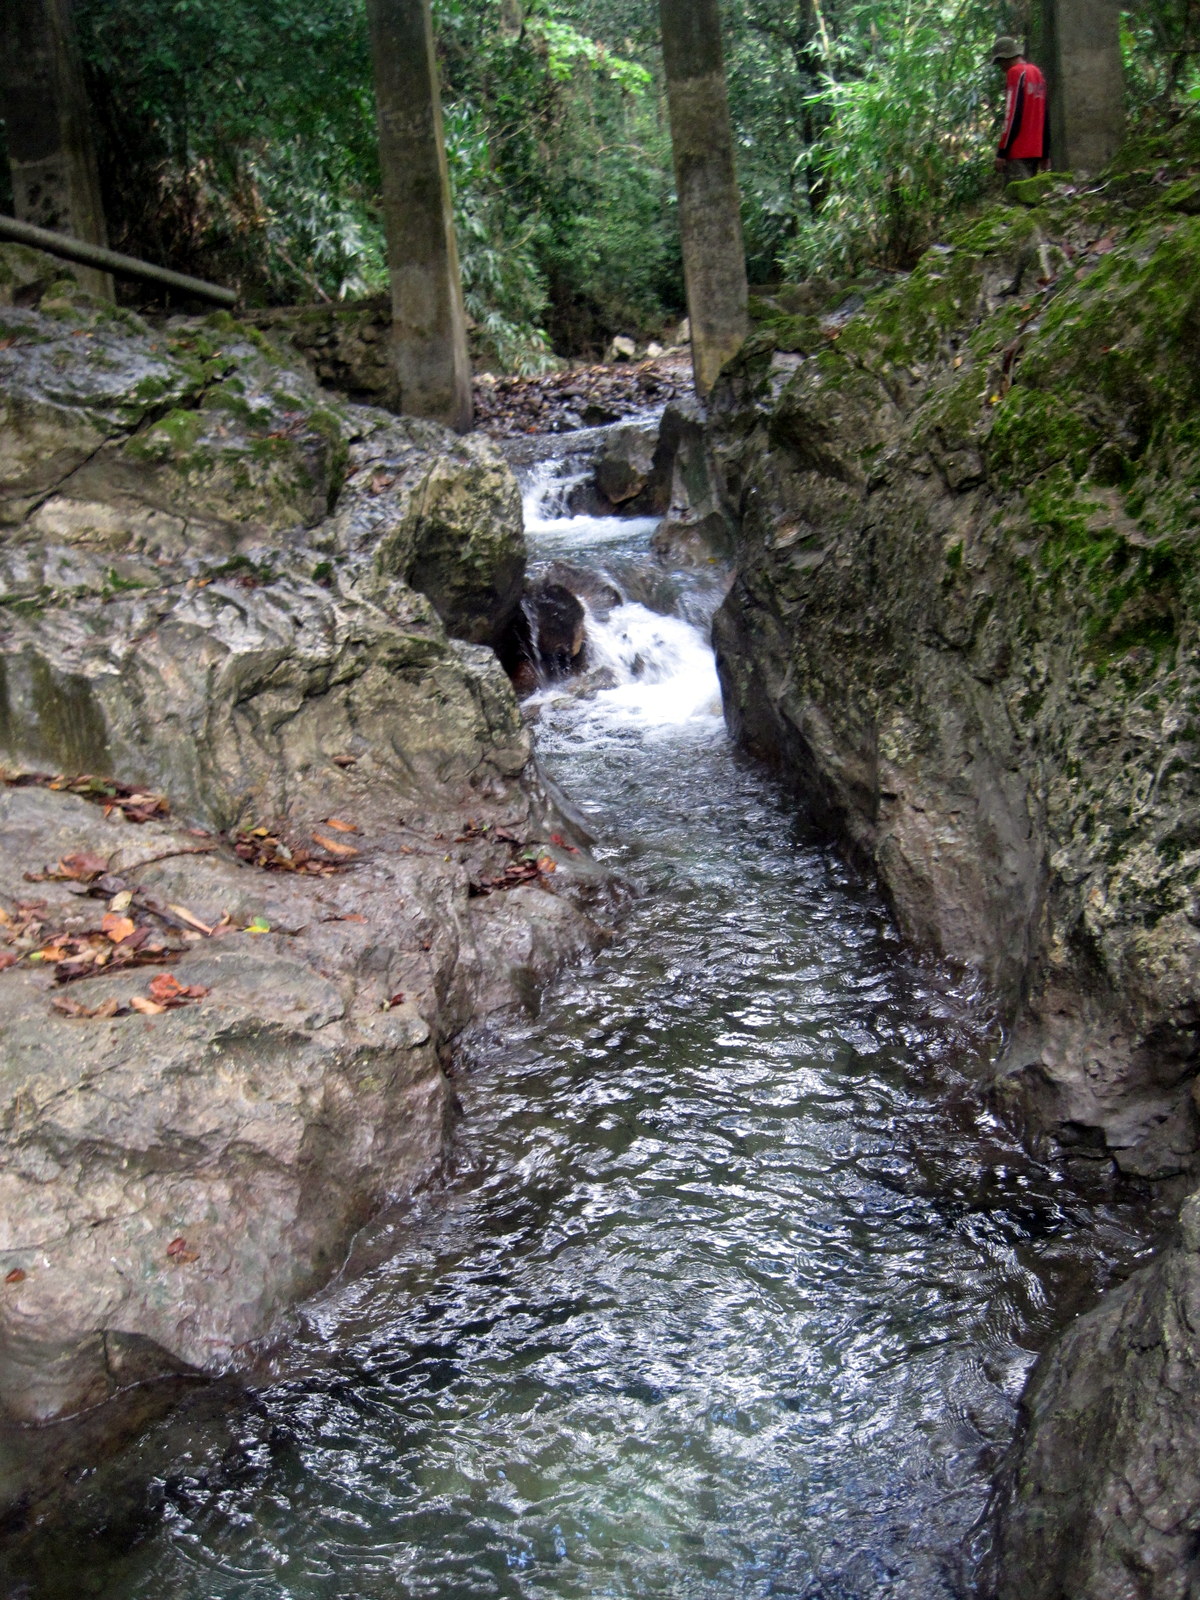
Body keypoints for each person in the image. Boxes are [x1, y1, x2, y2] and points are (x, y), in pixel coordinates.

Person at [991, 35, 1048, 182]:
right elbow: (1045, 114)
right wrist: (1045, 152)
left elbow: (1012, 115)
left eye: (999, 62)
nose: (1001, 68)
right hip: (1036, 150)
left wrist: (1002, 152)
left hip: (1018, 150)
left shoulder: (1015, 73)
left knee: (1018, 194)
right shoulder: (1037, 72)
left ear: (1005, 58)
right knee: (1030, 193)